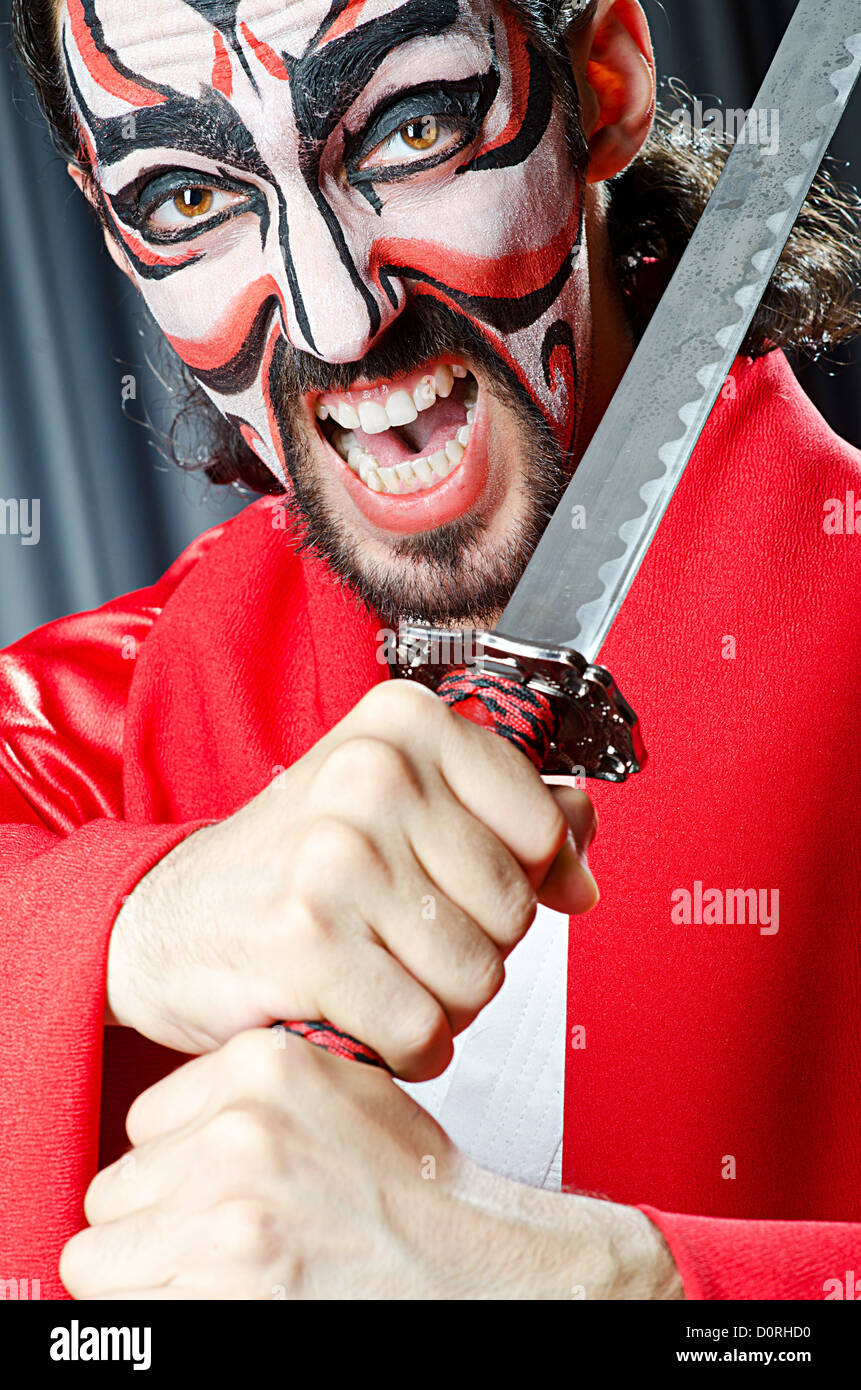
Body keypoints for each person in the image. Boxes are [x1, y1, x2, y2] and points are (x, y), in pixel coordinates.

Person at [2, 0, 860, 1300]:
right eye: (184, 196)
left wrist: (625, 1284)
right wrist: (135, 922)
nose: (339, 321)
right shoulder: (103, 719)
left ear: (608, 86)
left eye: (408, 125)